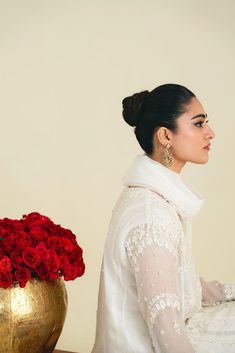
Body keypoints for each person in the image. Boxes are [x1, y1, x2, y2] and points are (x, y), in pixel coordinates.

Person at [91, 84, 235, 353]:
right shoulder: (151, 216)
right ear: (166, 136)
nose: (210, 133)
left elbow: (181, 286)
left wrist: (229, 291)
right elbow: (166, 328)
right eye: (199, 123)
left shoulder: (158, 197)